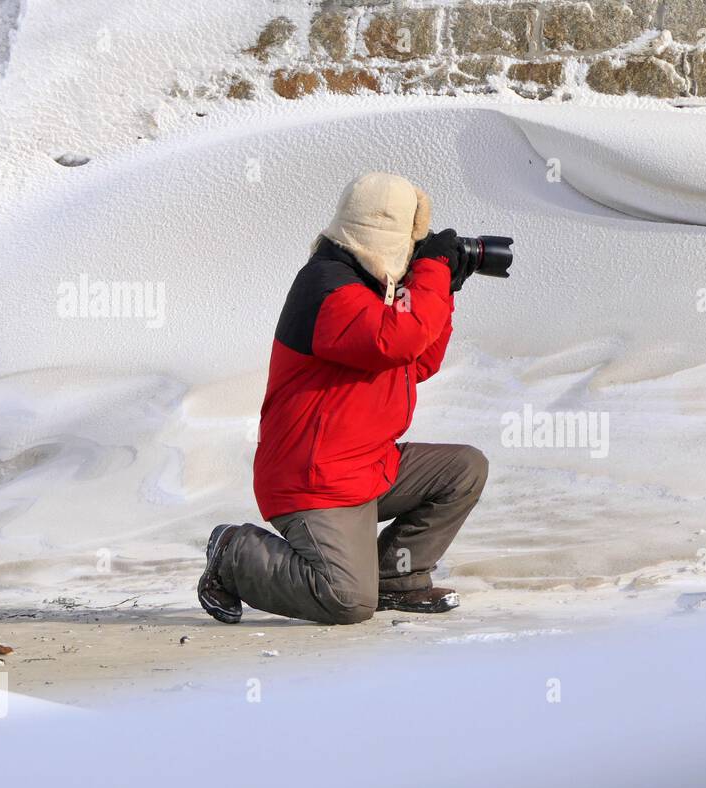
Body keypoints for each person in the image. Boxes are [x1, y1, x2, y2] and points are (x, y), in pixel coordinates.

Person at [197, 172, 488, 625]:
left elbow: (418, 362)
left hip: (365, 466)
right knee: (346, 600)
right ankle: (235, 554)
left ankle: (398, 579)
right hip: (315, 480)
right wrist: (431, 271)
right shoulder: (327, 287)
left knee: (463, 469)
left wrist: (444, 289)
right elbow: (396, 342)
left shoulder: (372, 286)